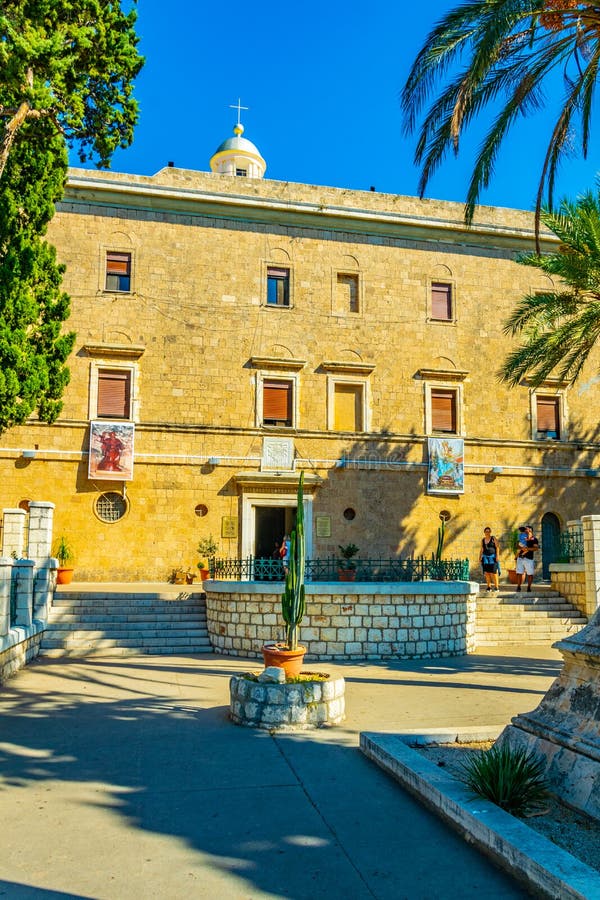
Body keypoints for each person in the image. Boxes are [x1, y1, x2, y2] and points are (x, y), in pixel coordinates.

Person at [516, 524, 539, 593]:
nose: (525, 530)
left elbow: (536, 548)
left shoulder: (534, 539)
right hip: (520, 558)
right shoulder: (521, 536)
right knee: (519, 573)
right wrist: (521, 547)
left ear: (530, 530)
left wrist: (527, 549)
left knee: (530, 574)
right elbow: (517, 545)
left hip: (529, 559)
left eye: (526, 529)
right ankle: (518, 586)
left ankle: (529, 587)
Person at [479, 526, 500, 592]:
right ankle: (489, 587)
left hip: (493, 558)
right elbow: (482, 549)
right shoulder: (483, 540)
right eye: (486, 531)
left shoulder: (493, 538)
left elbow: (497, 547)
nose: (487, 533)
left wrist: (497, 556)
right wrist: (480, 557)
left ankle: (496, 587)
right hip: (485, 558)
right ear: (484, 532)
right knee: (487, 573)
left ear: (490, 532)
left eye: (488, 531)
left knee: (494, 573)